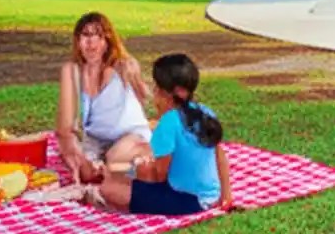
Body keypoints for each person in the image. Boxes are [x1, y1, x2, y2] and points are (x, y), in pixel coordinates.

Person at [94, 53, 232, 215]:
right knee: (122, 177)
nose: (154, 93)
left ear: (166, 95)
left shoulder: (168, 122)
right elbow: (220, 156)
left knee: (109, 189)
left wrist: (140, 171)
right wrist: (226, 195)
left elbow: (159, 176)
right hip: (210, 196)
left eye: (156, 88)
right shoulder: (205, 112)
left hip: (186, 200)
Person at [56, 12, 152, 184]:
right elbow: (65, 127)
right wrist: (73, 151)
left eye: (98, 36)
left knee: (114, 158)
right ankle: (116, 171)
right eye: (85, 35)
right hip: (95, 139)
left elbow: (143, 96)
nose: (91, 42)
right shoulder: (71, 70)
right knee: (86, 173)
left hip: (130, 135)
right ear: (77, 41)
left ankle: (140, 162)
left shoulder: (122, 66)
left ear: (107, 41)